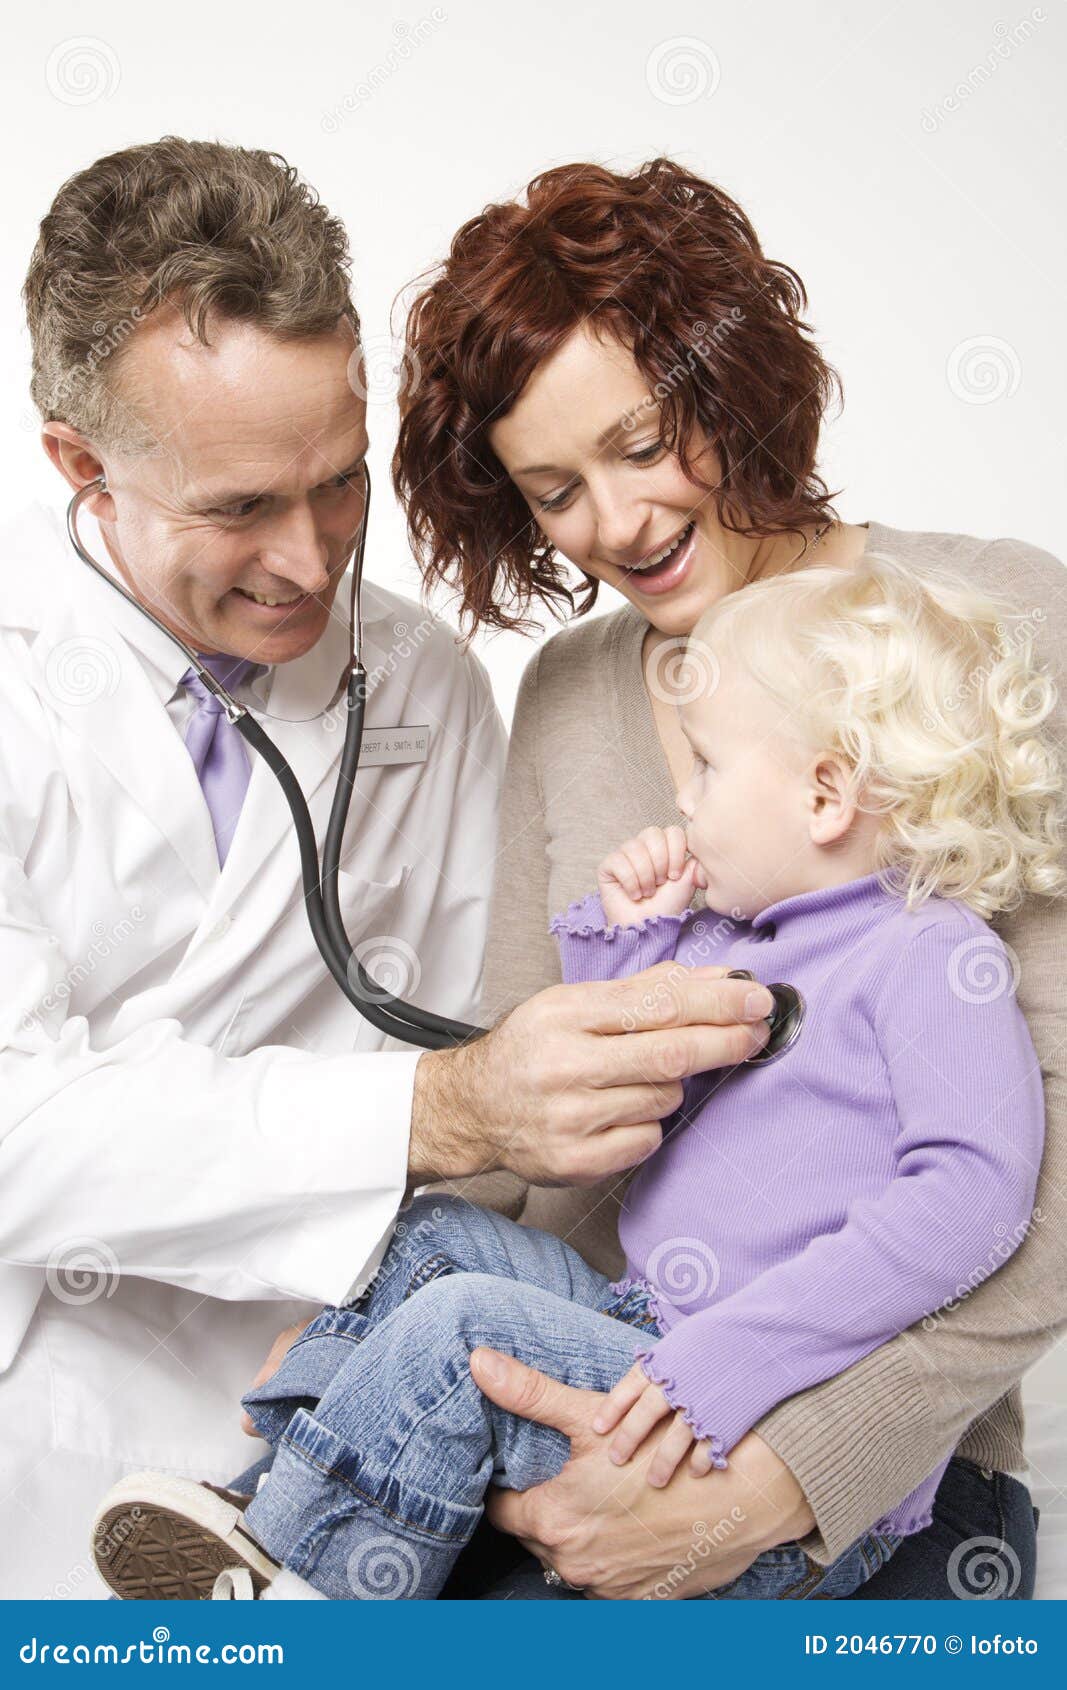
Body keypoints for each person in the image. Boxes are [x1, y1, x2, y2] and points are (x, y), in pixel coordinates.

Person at [0, 140, 768, 1599]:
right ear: (81, 465)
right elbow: (16, 1129)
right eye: (237, 510)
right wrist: (437, 1104)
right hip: (50, 1419)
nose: (309, 561)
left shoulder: (418, 679)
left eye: (338, 484)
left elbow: (506, 1052)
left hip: (361, 1424)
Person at [91, 552, 1057, 1601]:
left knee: (459, 1329)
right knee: (434, 1245)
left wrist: (738, 1353)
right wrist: (628, 943)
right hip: (651, 1330)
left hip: (764, 1409)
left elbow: (971, 1203)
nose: (681, 798)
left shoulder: (927, 957)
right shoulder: (752, 941)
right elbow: (627, 1104)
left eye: (706, 768)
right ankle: (272, 1502)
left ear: (825, 795)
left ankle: (320, 1601)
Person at [383, 157, 1067, 1599]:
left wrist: (766, 1486)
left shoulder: (996, 627)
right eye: (551, 489)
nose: (616, 524)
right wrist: (389, 1345)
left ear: (730, 380)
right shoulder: (567, 695)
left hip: (871, 1497)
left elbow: (1027, 1182)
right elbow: (532, 1160)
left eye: (642, 444)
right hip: (582, 1419)